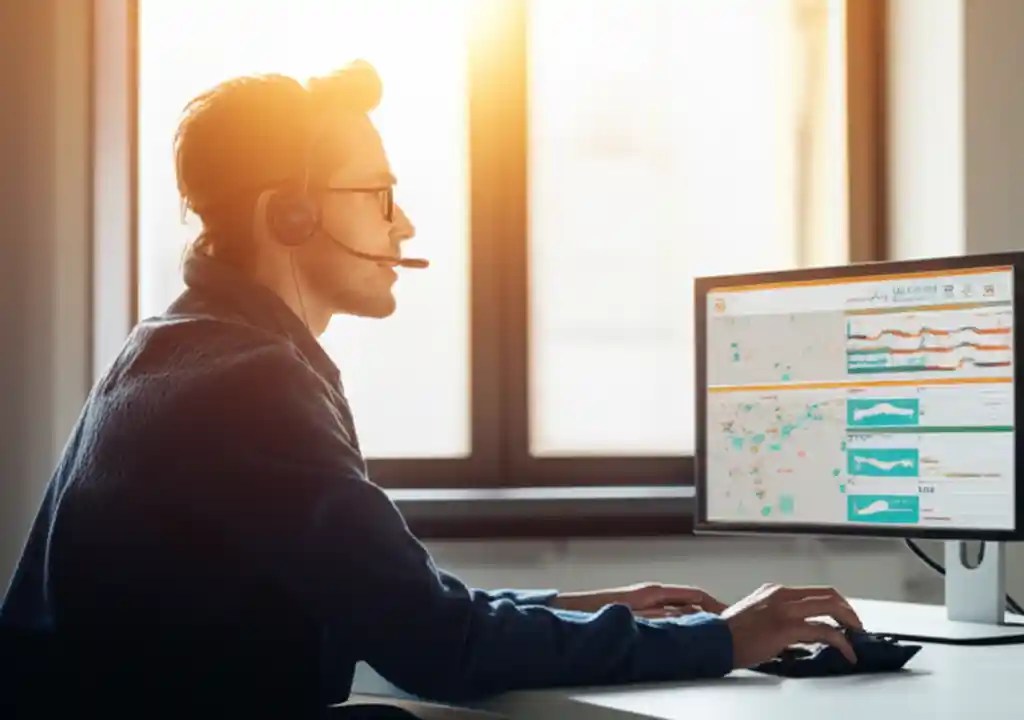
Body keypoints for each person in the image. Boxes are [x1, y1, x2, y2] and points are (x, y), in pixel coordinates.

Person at [0, 61, 861, 714]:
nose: (403, 223)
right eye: (378, 196)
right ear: (287, 215)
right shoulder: (246, 384)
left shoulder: (177, 349)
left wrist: (585, 606)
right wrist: (722, 639)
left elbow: (390, 604)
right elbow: (437, 646)